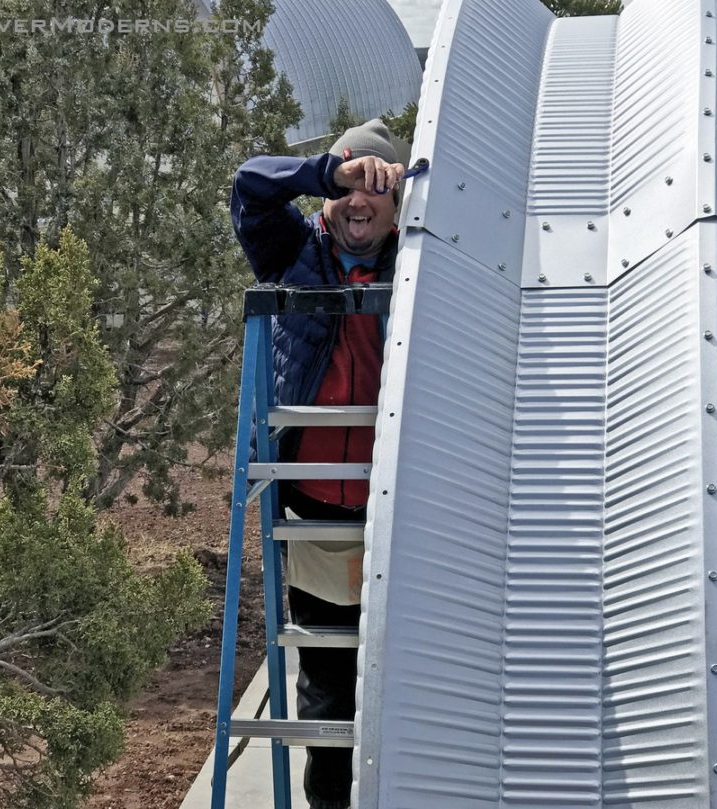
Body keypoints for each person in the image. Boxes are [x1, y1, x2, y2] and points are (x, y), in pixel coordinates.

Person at [229, 119, 406, 809]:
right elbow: (249, 187)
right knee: (328, 692)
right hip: (314, 518)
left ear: (398, 203)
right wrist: (321, 170)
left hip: (398, 513)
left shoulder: (420, 261)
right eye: (348, 185)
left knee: (399, 686)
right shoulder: (293, 253)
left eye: (376, 185)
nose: (359, 201)